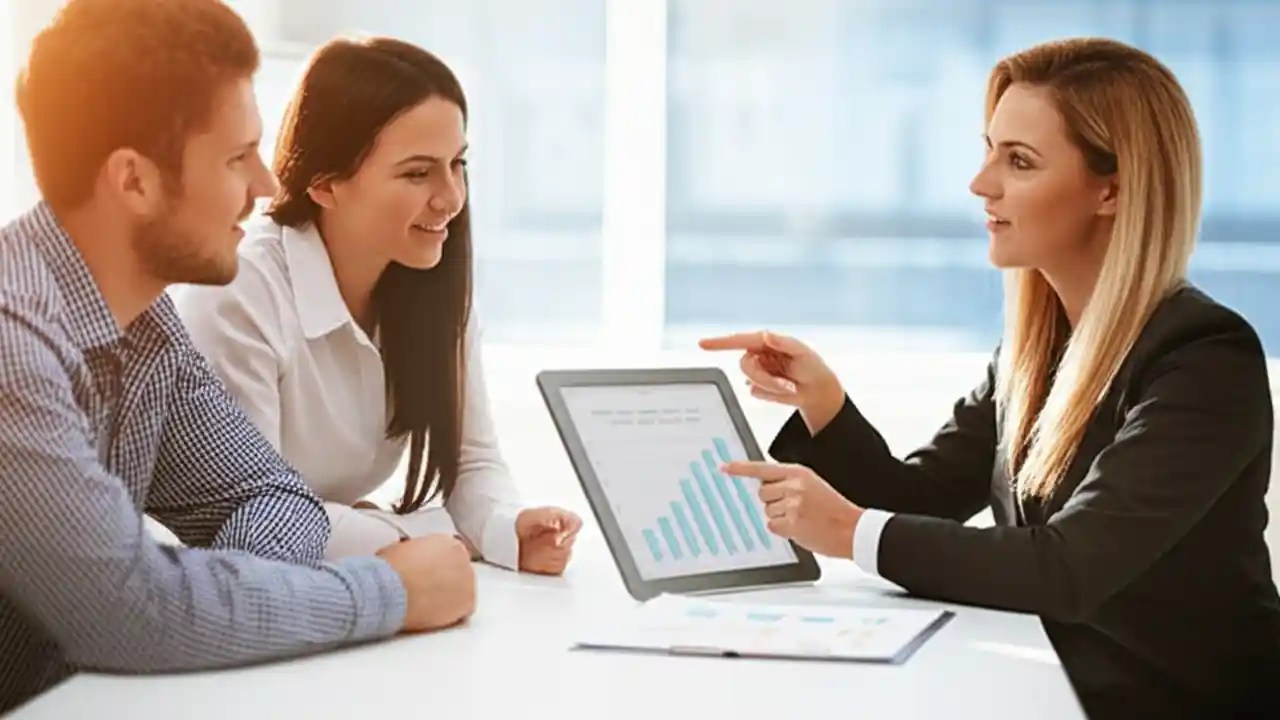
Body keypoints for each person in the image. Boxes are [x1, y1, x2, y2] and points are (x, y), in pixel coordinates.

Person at [702, 38, 1280, 716]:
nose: (981, 184)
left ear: (1112, 191)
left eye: (1020, 161)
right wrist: (826, 404)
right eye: (989, 151)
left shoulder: (1204, 358)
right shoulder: (1034, 351)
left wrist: (851, 530)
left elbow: (1067, 569)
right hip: (1057, 694)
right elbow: (924, 497)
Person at [0, 1, 475, 713]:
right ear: (133, 180)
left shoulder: (147, 325)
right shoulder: (13, 343)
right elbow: (129, 612)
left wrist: (218, 608)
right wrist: (392, 592)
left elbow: (272, 493)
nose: (268, 185)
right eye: (235, 158)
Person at [174, 37, 581, 573]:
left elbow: (472, 461)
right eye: (418, 173)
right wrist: (420, 534)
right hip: (223, 592)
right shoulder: (238, 291)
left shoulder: (426, 276)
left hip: (332, 575)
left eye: (457, 163)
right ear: (324, 185)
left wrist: (508, 529)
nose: (451, 198)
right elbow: (252, 520)